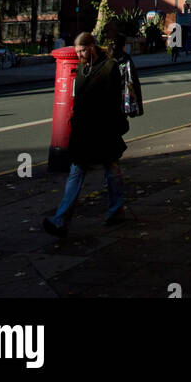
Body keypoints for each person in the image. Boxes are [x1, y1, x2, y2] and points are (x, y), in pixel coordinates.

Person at [43, 32, 128, 238]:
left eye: (82, 50)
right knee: (76, 172)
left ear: (92, 46)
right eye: (77, 51)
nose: (79, 54)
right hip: (83, 131)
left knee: (112, 169)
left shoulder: (110, 67)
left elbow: (113, 101)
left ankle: (116, 209)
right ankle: (60, 220)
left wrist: (112, 125)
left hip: (103, 130)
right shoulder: (82, 68)